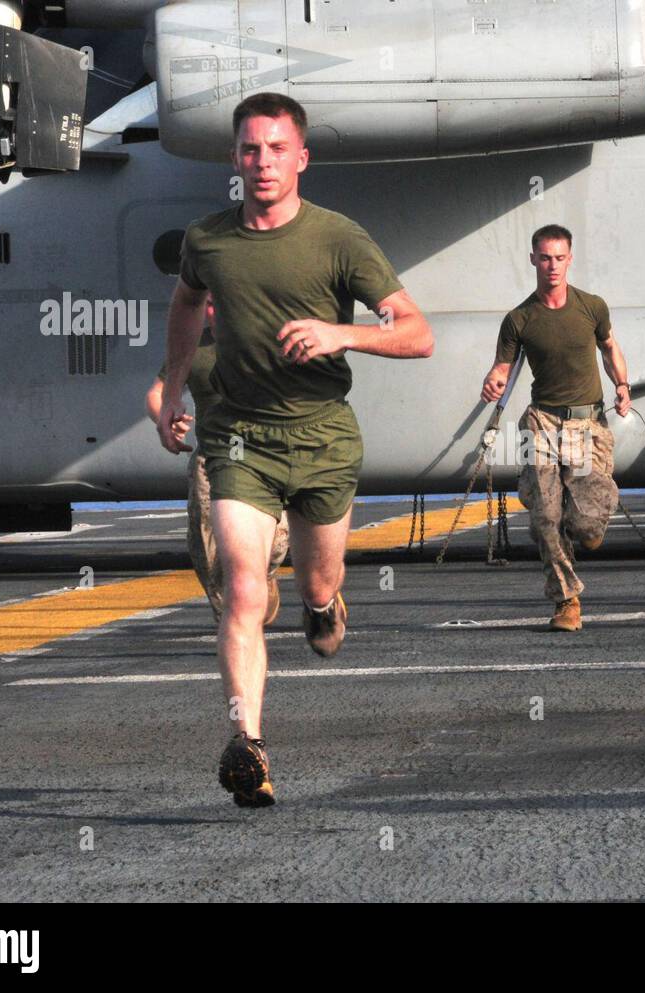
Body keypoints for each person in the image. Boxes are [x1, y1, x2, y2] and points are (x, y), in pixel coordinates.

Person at [157, 93, 433, 807]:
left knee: (314, 583)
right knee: (244, 588)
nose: (263, 163)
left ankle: (322, 603)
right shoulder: (208, 240)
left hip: (322, 437)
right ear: (235, 158)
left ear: (301, 157)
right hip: (239, 440)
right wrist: (174, 386)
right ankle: (247, 743)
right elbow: (186, 305)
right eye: (250, 149)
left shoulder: (339, 239)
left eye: (277, 149)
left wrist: (344, 334)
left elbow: (415, 332)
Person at [480, 224, 630, 632]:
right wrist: (493, 380)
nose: (552, 266)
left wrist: (621, 385)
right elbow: (503, 367)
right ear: (533, 259)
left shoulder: (591, 307)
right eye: (545, 257)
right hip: (543, 423)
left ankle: (588, 525)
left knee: (584, 521)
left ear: (570, 259)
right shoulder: (519, 319)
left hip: (586, 425)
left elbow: (610, 347)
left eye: (559, 258)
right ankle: (567, 601)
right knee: (545, 516)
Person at [145, 298, 291, 624]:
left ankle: (263, 575)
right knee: (207, 549)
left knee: (276, 541)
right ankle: (233, 621)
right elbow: (157, 393)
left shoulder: (268, 340)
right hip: (211, 457)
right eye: (207, 304)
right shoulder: (191, 348)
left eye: (219, 302)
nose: (213, 311)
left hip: (264, 455)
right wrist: (164, 417)